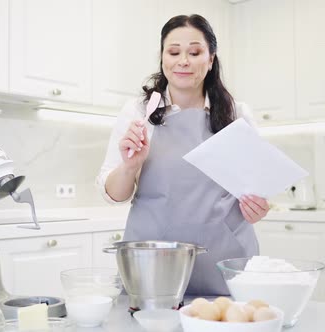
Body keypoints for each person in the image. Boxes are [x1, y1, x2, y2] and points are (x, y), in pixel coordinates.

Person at [96, 14, 270, 296]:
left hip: (225, 263)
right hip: (153, 265)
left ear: (211, 59)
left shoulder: (237, 115)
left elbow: (256, 191)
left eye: (195, 52)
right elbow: (114, 193)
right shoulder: (138, 113)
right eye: (174, 52)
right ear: (162, 57)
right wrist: (130, 168)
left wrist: (258, 207)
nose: (183, 61)